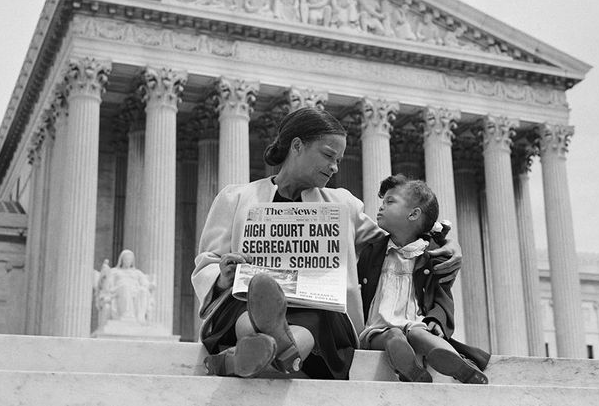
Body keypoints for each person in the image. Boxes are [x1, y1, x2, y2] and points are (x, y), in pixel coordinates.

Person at [192, 107, 462, 379]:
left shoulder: (343, 204)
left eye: (339, 160)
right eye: (328, 155)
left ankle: (254, 351)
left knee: (318, 314)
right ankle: (278, 347)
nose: (334, 167)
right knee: (251, 301)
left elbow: (397, 242)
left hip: (319, 310)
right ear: (297, 146)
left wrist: (441, 242)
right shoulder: (235, 198)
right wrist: (223, 276)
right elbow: (207, 263)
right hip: (247, 300)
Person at [358, 174, 489, 384]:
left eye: (390, 202)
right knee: (391, 336)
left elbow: (441, 294)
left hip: (415, 321)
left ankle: (460, 365)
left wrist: (437, 320)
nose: (381, 207)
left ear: (413, 214)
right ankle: (409, 367)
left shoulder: (431, 255)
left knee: (421, 335)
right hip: (378, 325)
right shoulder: (371, 250)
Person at [105, 249, 154, 323]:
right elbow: (108, 284)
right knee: (125, 286)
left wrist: (150, 285)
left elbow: (145, 283)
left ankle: (140, 316)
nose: (128, 261)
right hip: (119, 289)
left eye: (130, 259)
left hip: (135, 290)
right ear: (122, 260)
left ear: (132, 261)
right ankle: (127, 314)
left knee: (143, 291)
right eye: (126, 259)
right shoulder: (114, 271)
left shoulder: (137, 272)